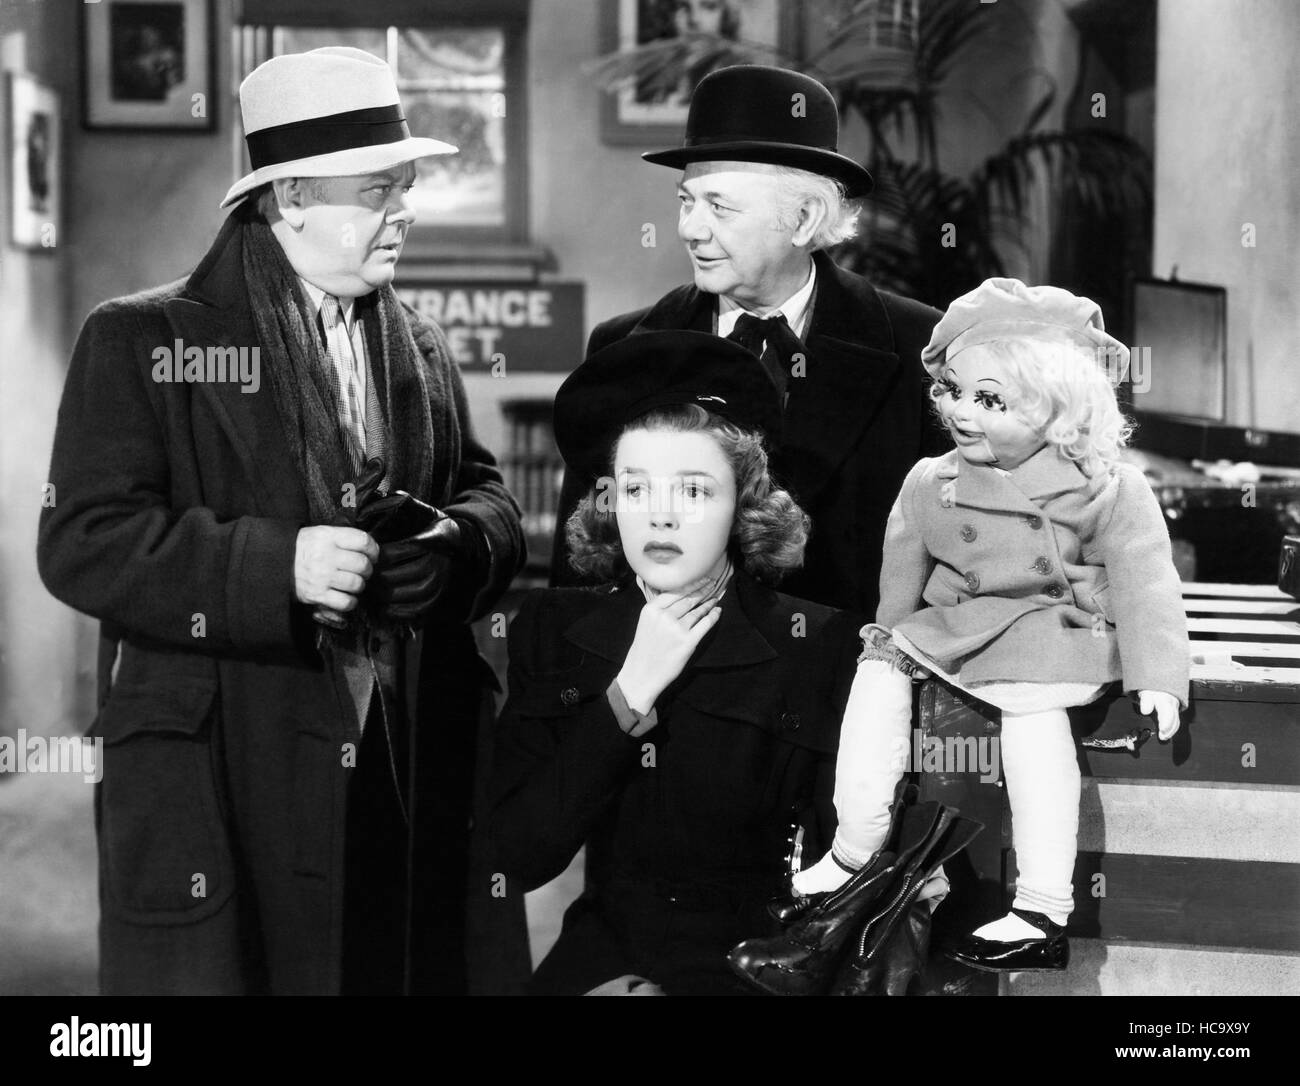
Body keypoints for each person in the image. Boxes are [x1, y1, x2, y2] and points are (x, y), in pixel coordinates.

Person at [36, 47, 525, 995]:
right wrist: (277, 568)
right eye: (379, 190)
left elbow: (487, 493)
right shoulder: (143, 338)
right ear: (292, 199)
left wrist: (458, 546)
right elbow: (82, 541)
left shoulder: (416, 341)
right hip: (229, 758)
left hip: (400, 750)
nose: (406, 210)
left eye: (408, 186)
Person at [731, 279, 1189, 987]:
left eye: (991, 400)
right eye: (951, 390)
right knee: (875, 679)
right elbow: (901, 575)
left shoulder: (1108, 486)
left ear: (1059, 410)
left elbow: (1146, 581)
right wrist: (887, 638)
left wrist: (1157, 675)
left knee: (1034, 720)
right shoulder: (927, 480)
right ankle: (856, 845)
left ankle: (1042, 909)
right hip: (949, 627)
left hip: (1048, 630)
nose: (959, 412)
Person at [491, 331, 870, 995]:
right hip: (603, 965)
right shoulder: (555, 630)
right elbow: (517, 856)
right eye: (636, 489)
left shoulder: (819, 642)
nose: (660, 516)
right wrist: (627, 695)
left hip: (761, 972)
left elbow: (837, 886)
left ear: (743, 504)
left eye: (694, 491)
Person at [551, 64, 950, 618]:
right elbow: (582, 568)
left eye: (719, 206)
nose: (691, 228)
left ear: (805, 219)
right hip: (671, 689)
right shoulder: (625, 348)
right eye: (685, 201)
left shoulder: (918, 347)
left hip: (852, 688)